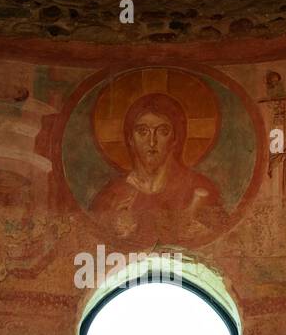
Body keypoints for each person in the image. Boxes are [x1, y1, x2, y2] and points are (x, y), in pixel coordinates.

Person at [90, 93, 223, 242]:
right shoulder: (110, 197)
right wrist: (117, 231)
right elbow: (92, 243)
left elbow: (224, 244)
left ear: (175, 139)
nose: (152, 141)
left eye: (162, 131)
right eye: (142, 131)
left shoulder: (200, 189)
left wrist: (199, 231)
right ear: (130, 139)